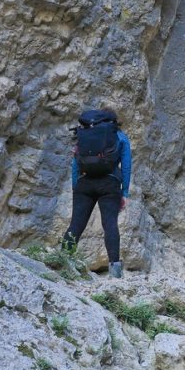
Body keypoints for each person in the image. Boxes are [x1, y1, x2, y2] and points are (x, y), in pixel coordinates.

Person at [61, 108, 132, 278]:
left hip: (84, 183)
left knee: (76, 224)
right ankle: (115, 272)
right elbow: (126, 165)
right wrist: (124, 192)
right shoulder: (120, 136)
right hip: (110, 184)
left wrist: (76, 187)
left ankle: (61, 262)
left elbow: (75, 164)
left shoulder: (85, 135)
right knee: (110, 225)